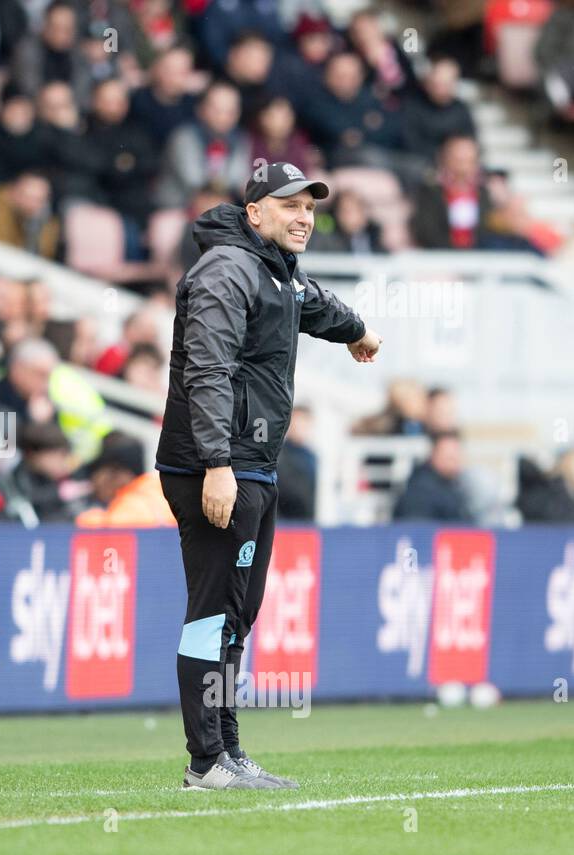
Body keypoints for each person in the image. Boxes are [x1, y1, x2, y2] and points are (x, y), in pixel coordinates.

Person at [155, 162, 382, 791]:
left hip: (251, 464)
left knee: (237, 614)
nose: (304, 218)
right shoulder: (227, 270)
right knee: (212, 614)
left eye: (310, 208)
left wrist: (358, 332)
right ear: (255, 213)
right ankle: (206, 761)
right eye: (290, 206)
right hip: (216, 466)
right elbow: (208, 371)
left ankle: (226, 750)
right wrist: (217, 464)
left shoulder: (276, 270)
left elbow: (314, 303)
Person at [392, 430, 473, 523]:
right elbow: (416, 528)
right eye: (449, 457)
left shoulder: (453, 485)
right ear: (433, 455)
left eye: (457, 455)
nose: (455, 461)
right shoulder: (421, 490)